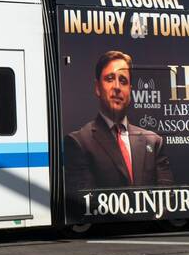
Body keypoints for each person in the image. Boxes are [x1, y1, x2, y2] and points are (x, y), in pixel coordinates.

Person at [64, 49, 173, 192]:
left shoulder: (153, 141)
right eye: (109, 79)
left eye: (123, 81)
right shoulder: (79, 142)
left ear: (130, 90)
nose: (117, 87)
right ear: (97, 88)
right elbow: (84, 205)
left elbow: (167, 198)